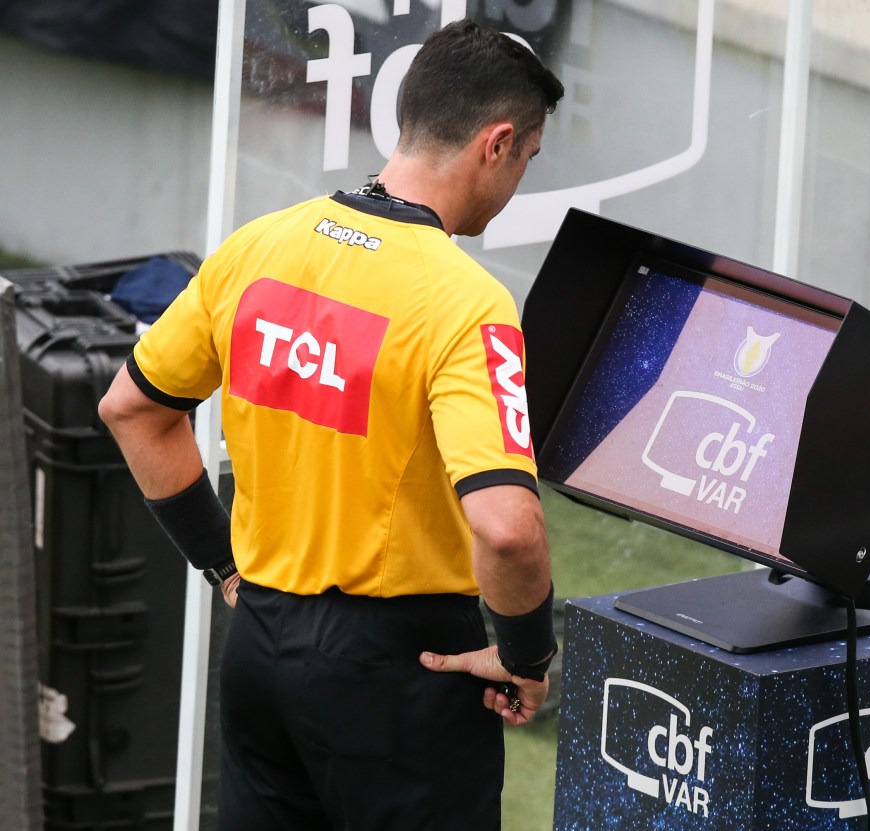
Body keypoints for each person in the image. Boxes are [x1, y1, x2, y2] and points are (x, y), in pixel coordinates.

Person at [97, 19, 563, 830]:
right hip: (402, 675)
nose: (519, 178)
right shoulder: (466, 303)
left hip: (260, 649)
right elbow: (508, 527)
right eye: (527, 157)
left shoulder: (258, 246)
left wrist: (224, 566)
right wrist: (526, 653)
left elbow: (131, 409)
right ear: (495, 144)